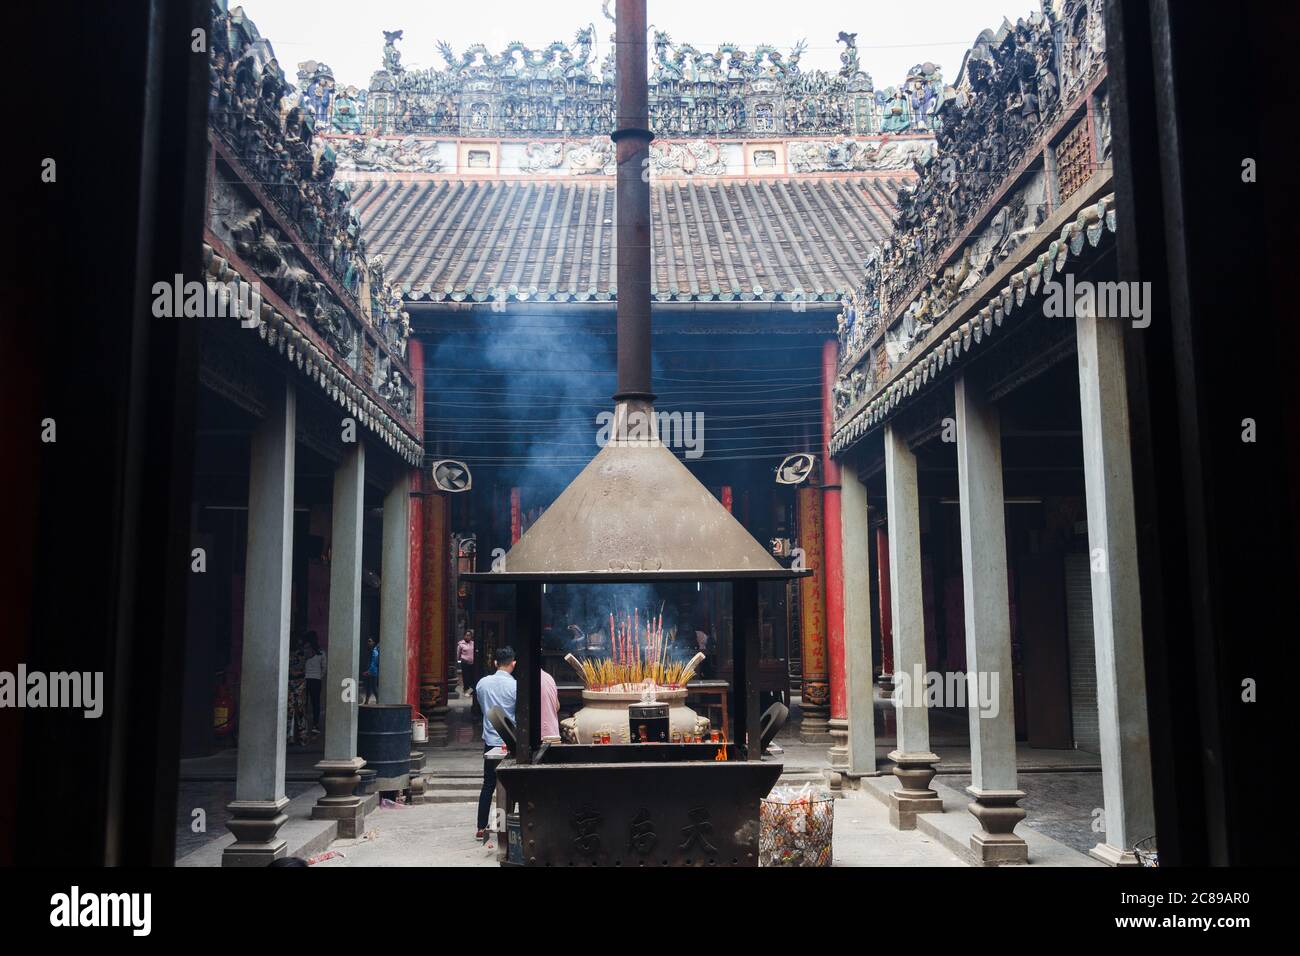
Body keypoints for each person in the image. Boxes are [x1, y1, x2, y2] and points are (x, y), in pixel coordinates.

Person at [473, 647, 517, 840]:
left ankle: (481, 827)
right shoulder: (515, 686)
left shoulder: (482, 684)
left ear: (495, 663)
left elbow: (484, 709)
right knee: (510, 785)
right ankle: (505, 826)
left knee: (489, 783)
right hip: (509, 741)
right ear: (513, 663)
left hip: (490, 740)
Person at [303, 631, 325, 736]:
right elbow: (324, 667)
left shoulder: (305, 651)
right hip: (316, 680)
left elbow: (302, 663)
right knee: (315, 703)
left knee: (304, 703)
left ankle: (303, 725)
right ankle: (315, 725)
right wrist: (319, 676)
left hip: (305, 679)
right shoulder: (321, 652)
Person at [540, 666, 561, 743]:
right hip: (554, 734)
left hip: (542, 737)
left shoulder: (528, 679)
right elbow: (557, 706)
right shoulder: (549, 677)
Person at [456, 628, 476, 695]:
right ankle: (466, 690)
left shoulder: (473, 643)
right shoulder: (461, 644)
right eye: (466, 635)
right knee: (466, 677)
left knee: (472, 677)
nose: (468, 637)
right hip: (465, 662)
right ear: (464, 636)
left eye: (469, 635)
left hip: (472, 662)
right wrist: (459, 660)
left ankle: (471, 691)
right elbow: (458, 654)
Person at [363, 637, 379, 703]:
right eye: (368, 641)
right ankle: (366, 701)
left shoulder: (374, 652)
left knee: (374, 687)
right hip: (369, 672)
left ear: (373, 642)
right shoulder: (370, 651)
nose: (368, 643)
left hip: (373, 672)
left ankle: (378, 700)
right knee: (368, 687)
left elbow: (374, 663)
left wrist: (369, 671)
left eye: (370, 641)